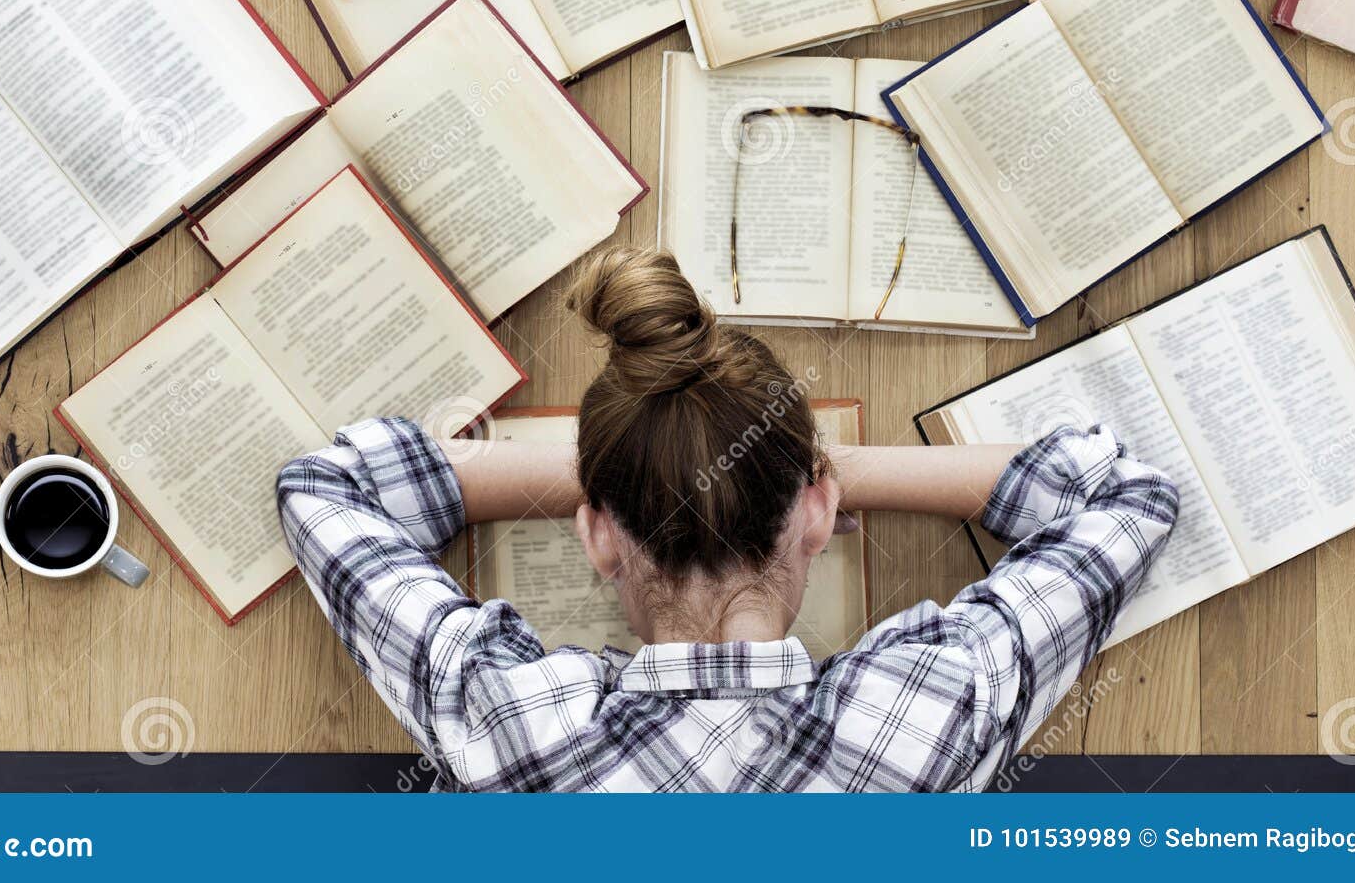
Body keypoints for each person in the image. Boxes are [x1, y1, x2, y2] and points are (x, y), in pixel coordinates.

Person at [277, 247, 1179, 791]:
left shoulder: (511, 724)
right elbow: (1124, 495)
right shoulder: (927, 717)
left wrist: (632, 469)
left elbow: (328, 490)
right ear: (817, 513)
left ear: (596, 533)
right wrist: (811, 472)